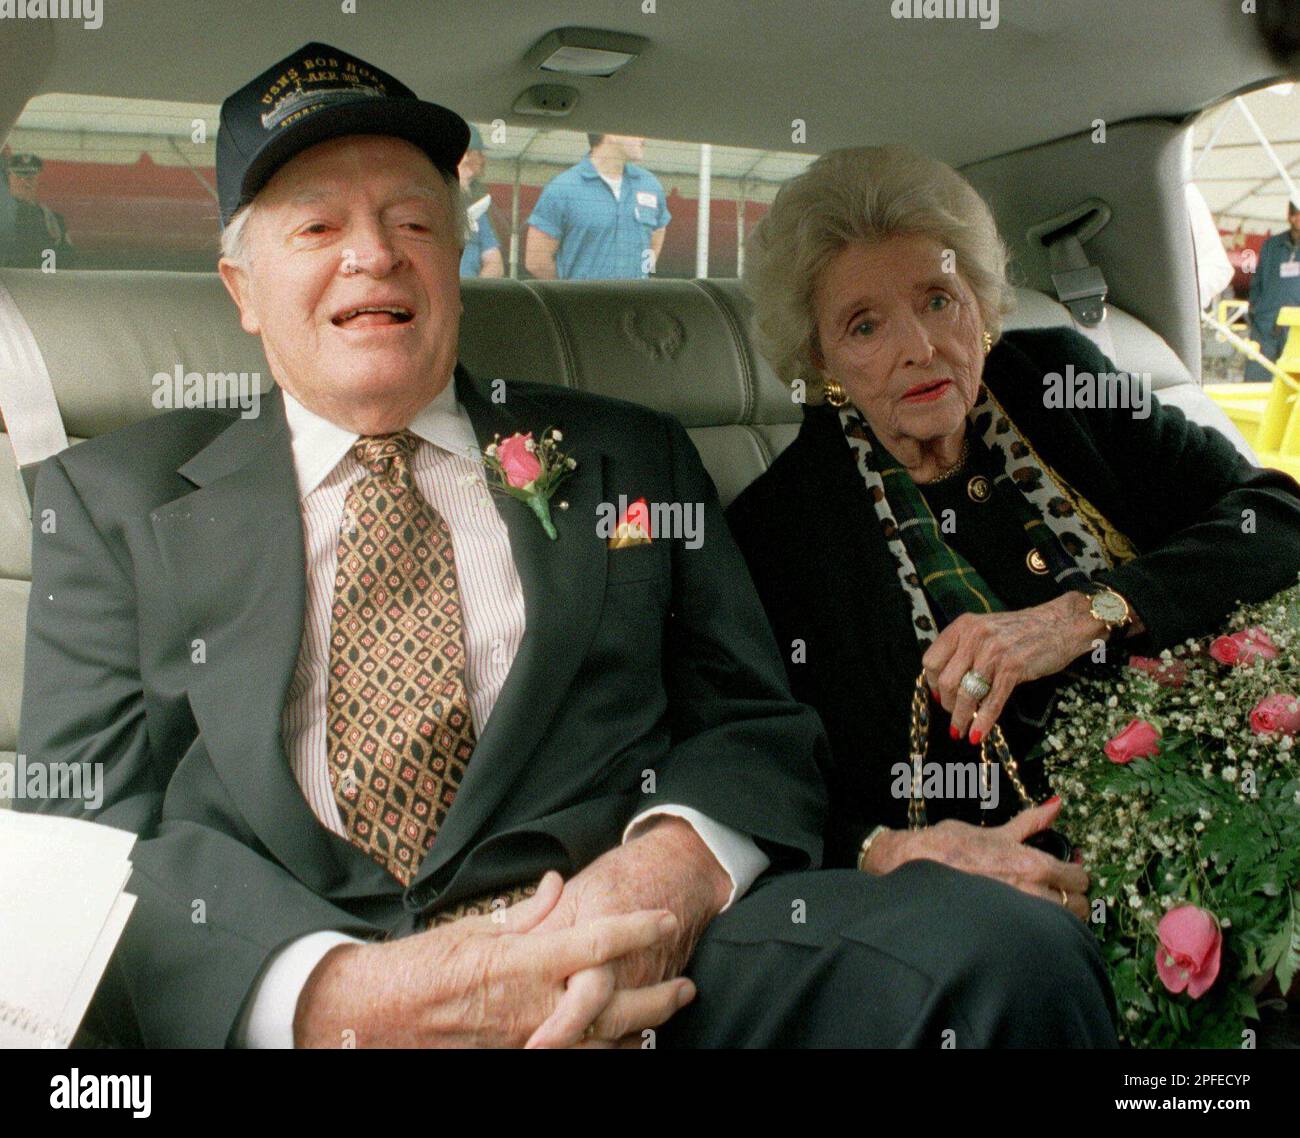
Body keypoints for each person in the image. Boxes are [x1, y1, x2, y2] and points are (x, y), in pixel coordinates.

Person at [17, 50, 1117, 1050]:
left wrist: (664, 878)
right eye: (316, 227)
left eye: (412, 221)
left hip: (654, 971)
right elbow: (74, 847)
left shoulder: (629, 454)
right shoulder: (113, 503)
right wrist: (340, 997)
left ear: (454, 254)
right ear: (241, 290)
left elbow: (754, 720)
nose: (373, 258)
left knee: (998, 955)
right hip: (312, 1006)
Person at [727, 146, 1300, 900]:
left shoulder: (1058, 381)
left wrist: (1094, 611)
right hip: (1022, 875)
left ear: (982, 302)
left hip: (1223, 777)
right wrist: (888, 851)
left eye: (938, 298)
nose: (919, 347)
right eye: (865, 326)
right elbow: (759, 770)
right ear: (821, 359)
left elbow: (1276, 515)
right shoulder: (777, 530)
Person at [524, 134, 669, 280]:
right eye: (635, 131)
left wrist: (642, 274)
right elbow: (536, 262)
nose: (643, 139)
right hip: (582, 302)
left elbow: (657, 232)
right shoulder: (562, 188)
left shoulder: (650, 185)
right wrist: (571, 295)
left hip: (636, 301)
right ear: (611, 133)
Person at [1245, 200, 1300, 380]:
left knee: (1292, 384)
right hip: (1266, 325)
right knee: (1257, 380)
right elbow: (1257, 281)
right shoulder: (1272, 245)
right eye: (1296, 213)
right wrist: (1256, 308)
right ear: (1290, 216)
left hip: (1296, 328)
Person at [2, 151, 75, 268]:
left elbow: (68, 261)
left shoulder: (54, 220)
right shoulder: (4, 215)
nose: (24, 182)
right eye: (19, 176)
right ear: (9, 177)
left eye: (30, 177)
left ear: (37, 179)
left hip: (42, 283)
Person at [458, 124, 502, 279]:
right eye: (480, 153)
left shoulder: (478, 207)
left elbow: (495, 263)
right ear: (466, 155)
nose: (484, 159)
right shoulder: (437, 200)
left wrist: (474, 293)